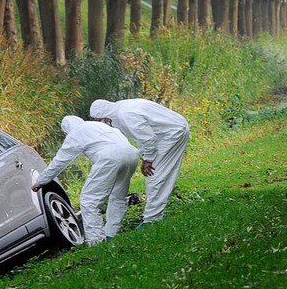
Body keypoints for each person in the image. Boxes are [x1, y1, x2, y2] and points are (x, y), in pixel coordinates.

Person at [32, 115, 140, 246]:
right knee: (118, 196)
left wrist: (41, 180)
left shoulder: (76, 133)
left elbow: (61, 160)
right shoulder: (99, 126)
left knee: (89, 200)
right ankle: (111, 233)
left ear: (67, 130)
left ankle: (96, 241)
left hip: (110, 157)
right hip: (131, 154)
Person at [89, 98, 190, 225]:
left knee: (155, 176)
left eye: (99, 120)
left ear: (104, 117)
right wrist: (146, 157)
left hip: (171, 133)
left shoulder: (125, 115)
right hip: (173, 129)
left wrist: (149, 160)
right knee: (160, 174)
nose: (102, 123)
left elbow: (148, 138)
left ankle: (152, 220)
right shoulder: (121, 109)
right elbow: (141, 138)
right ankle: (153, 215)